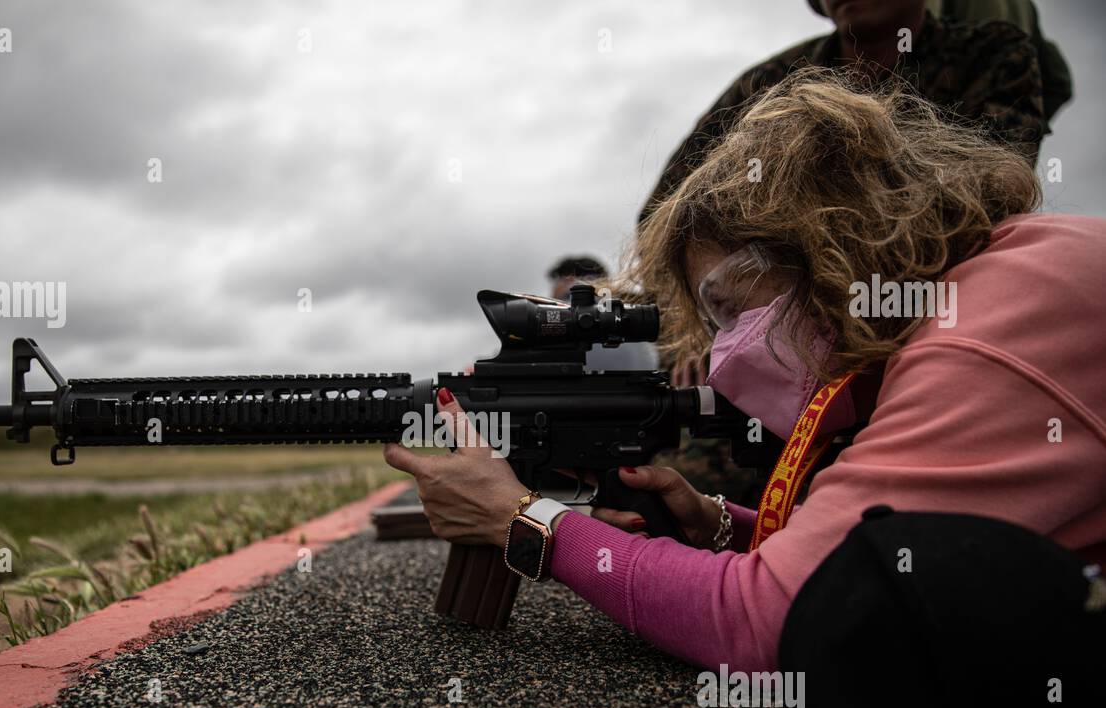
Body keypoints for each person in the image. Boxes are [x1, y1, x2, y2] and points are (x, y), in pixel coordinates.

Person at [383, 69, 1106, 672]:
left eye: (729, 304)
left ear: (828, 241)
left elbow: (773, 622)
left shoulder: (971, 344)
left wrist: (526, 519)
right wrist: (726, 527)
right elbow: (872, 556)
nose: (725, 347)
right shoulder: (992, 290)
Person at [639, 0, 1057, 224]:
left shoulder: (989, 55)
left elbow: (992, 194)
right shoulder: (768, 82)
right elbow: (669, 208)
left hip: (948, 299)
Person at [546, 256, 660, 372]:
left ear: (568, 279)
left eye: (555, 283)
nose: (552, 291)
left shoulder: (563, 320)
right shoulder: (634, 320)